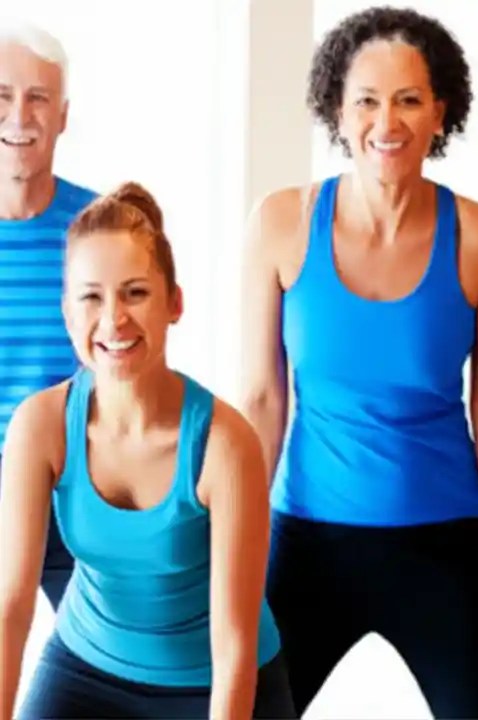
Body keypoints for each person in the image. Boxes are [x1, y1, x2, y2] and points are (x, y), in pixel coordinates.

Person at [239, 7, 478, 716]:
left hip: (448, 540)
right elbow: (262, 402)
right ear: (338, 108)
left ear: (439, 112)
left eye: (408, 100)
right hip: (307, 537)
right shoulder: (281, 224)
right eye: (365, 99)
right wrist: (235, 547)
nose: (385, 122)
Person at [0, 183, 293, 719]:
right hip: (87, 665)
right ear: (67, 313)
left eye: (135, 292)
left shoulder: (225, 446)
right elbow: (11, 604)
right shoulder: (39, 427)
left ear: (173, 303)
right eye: (91, 296)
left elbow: (233, 647)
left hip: (211, 680)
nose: (113, 320)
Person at [0, 21, 95, 611]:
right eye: (3, 97)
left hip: (73, 484)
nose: (19, 117)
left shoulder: (99, 226)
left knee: (101, 664)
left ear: (62, 115)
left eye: (38, 98)